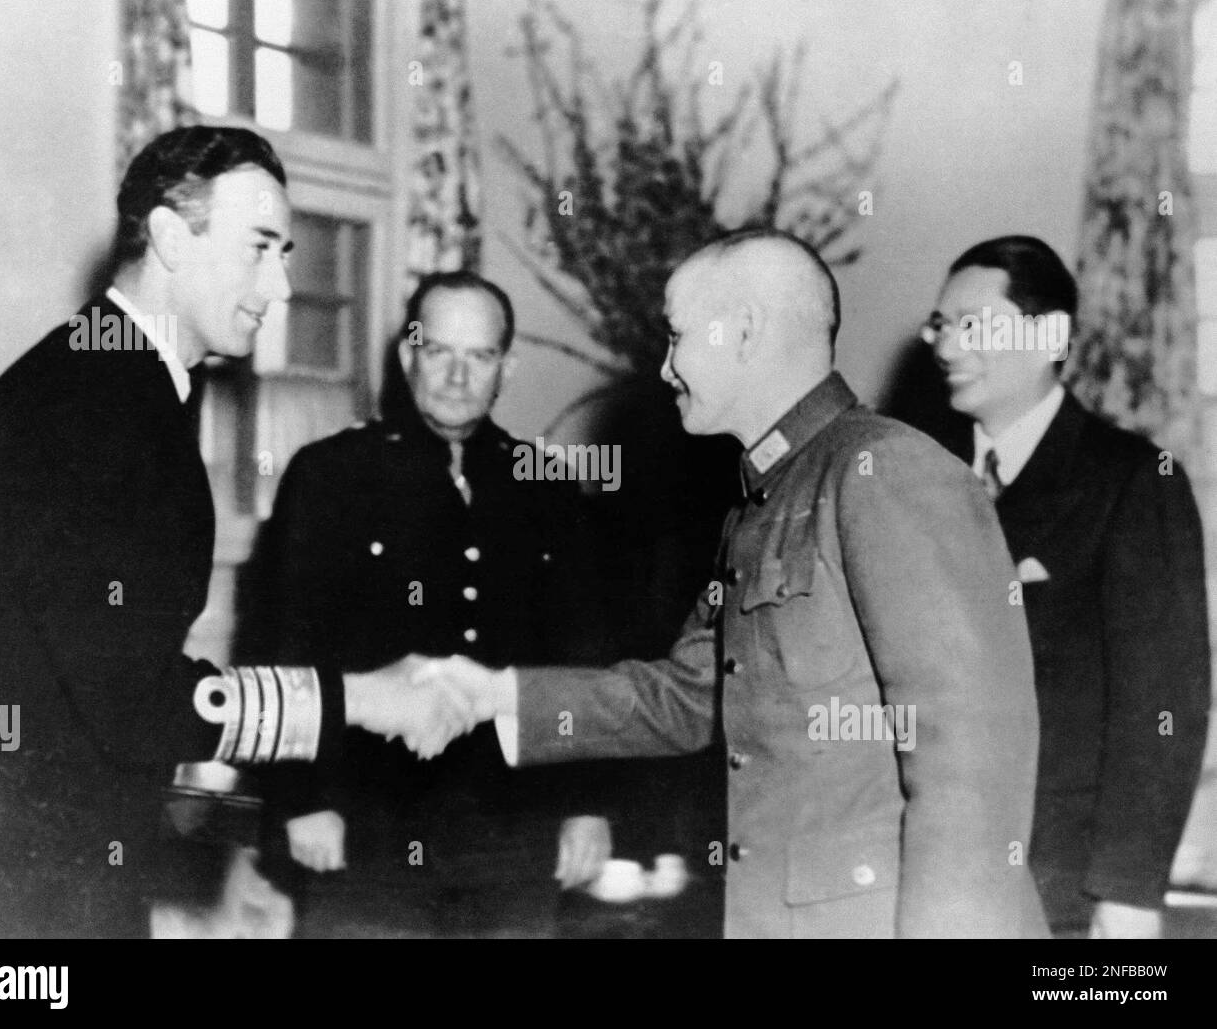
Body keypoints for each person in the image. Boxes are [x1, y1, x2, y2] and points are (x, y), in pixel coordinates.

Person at [362, 229, 1051, 939]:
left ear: (743, 333)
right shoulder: (762, 504)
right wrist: (492, 693)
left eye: (676, 337)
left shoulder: (882, 471)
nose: (664, 369)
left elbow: (969, 750)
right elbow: (687, 695)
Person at [0, 126, 460, 937]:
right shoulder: (94, 411)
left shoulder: (119, 382)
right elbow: (134, 700)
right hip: (18, 890)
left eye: (287, 254)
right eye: (260, 249)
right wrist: (366, 700)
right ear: (171, 237)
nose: (281, 286)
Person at [239, 271, 618, 937]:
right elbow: (282, 642)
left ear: (507, 367)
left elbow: (583, 658)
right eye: (438, 350)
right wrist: (301, 801)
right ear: (408, 354)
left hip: (514, 828)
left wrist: (588, 805)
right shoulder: (333, 475)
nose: (456, 374)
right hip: (365, 823)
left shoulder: (547, 488)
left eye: (479, 356)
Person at [921, 234, 1210, 938]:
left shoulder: (1133, 480)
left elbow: (1162, 705)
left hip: (1065, 886)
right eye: (939, 325)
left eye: (972, 325)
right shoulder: (916, 478)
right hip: (933, 877)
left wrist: (1129, 890)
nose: (946, 348)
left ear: (1050, 336)